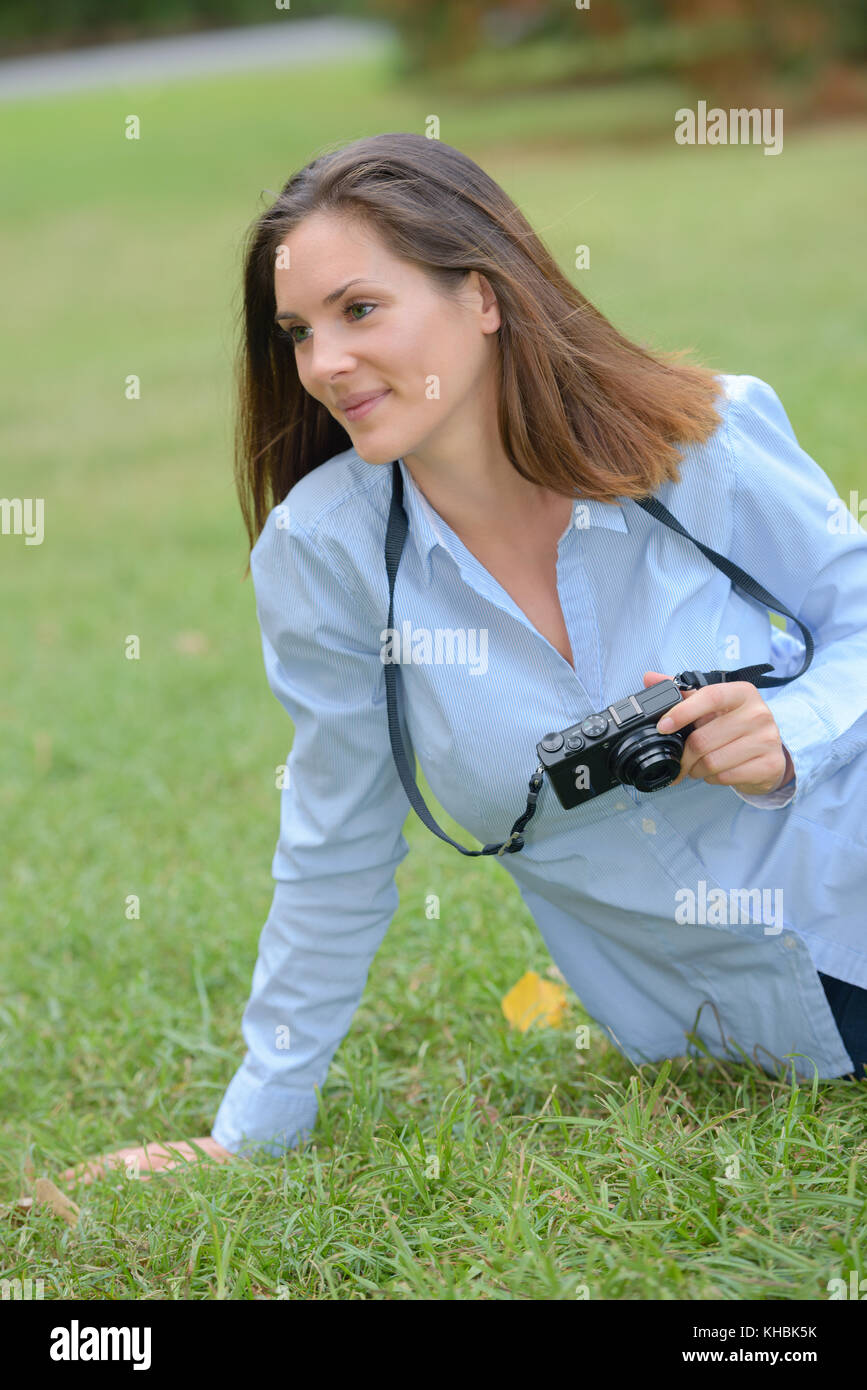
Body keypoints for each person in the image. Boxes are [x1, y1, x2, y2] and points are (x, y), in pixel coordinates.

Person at [62, 132, 867, 1186]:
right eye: (299, 332)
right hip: (731, 1034)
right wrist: (249, 1130)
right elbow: (337, 842)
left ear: (483, 297)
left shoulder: (701, 436)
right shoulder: (326, 555)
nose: (323, 364)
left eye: (360, 310)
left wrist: (792, 729)